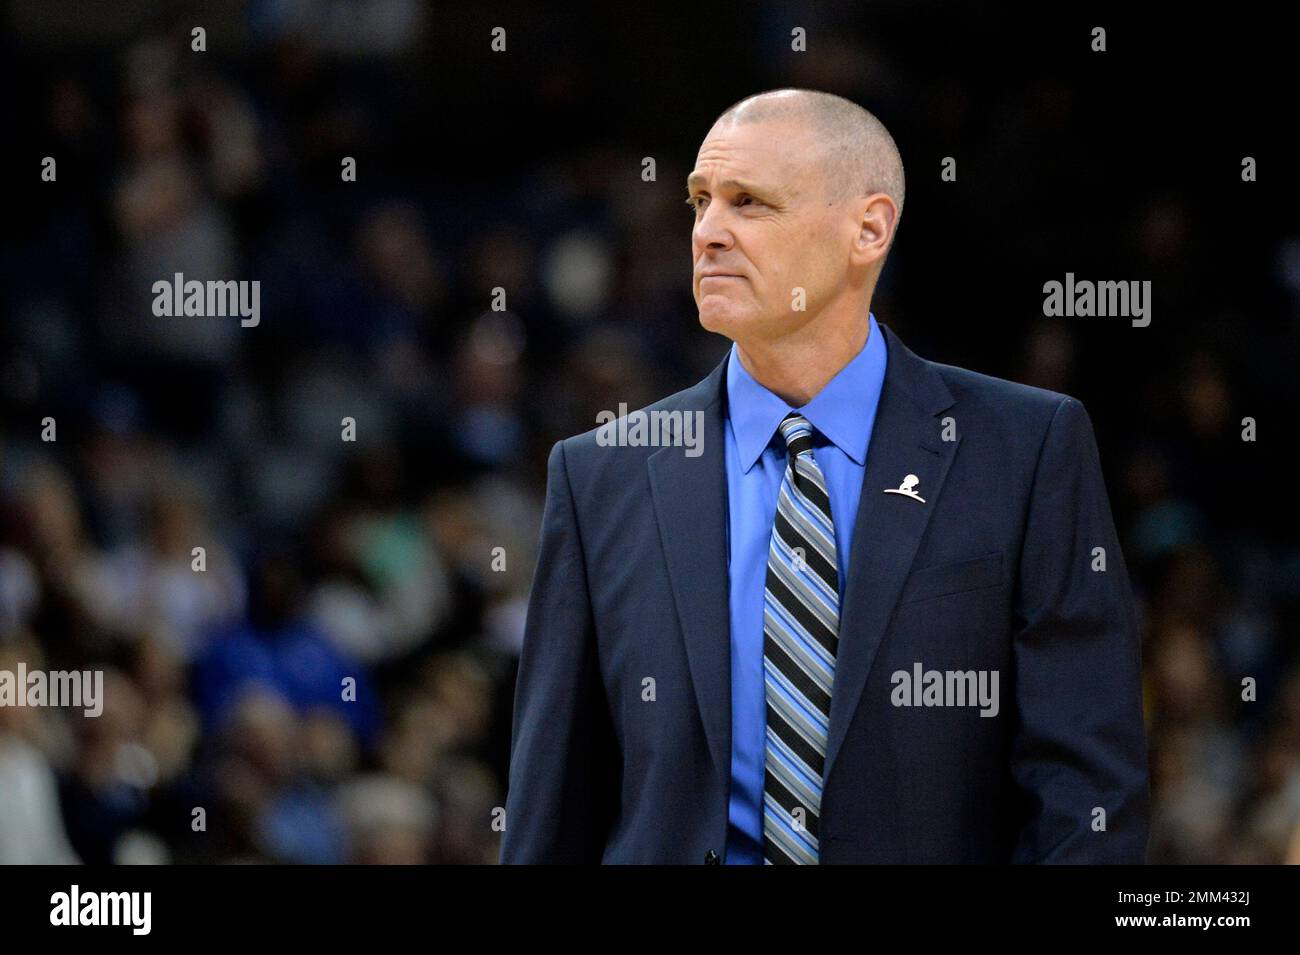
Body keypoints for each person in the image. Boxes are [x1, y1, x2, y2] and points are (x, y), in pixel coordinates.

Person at [501, 88, 1149, 864]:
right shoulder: (600, 472)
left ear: (868, 229)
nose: (708, 233)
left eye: (750, 203)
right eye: (701, 201)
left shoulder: (1026, 447)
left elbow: (1084, 787)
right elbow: (552, 806)